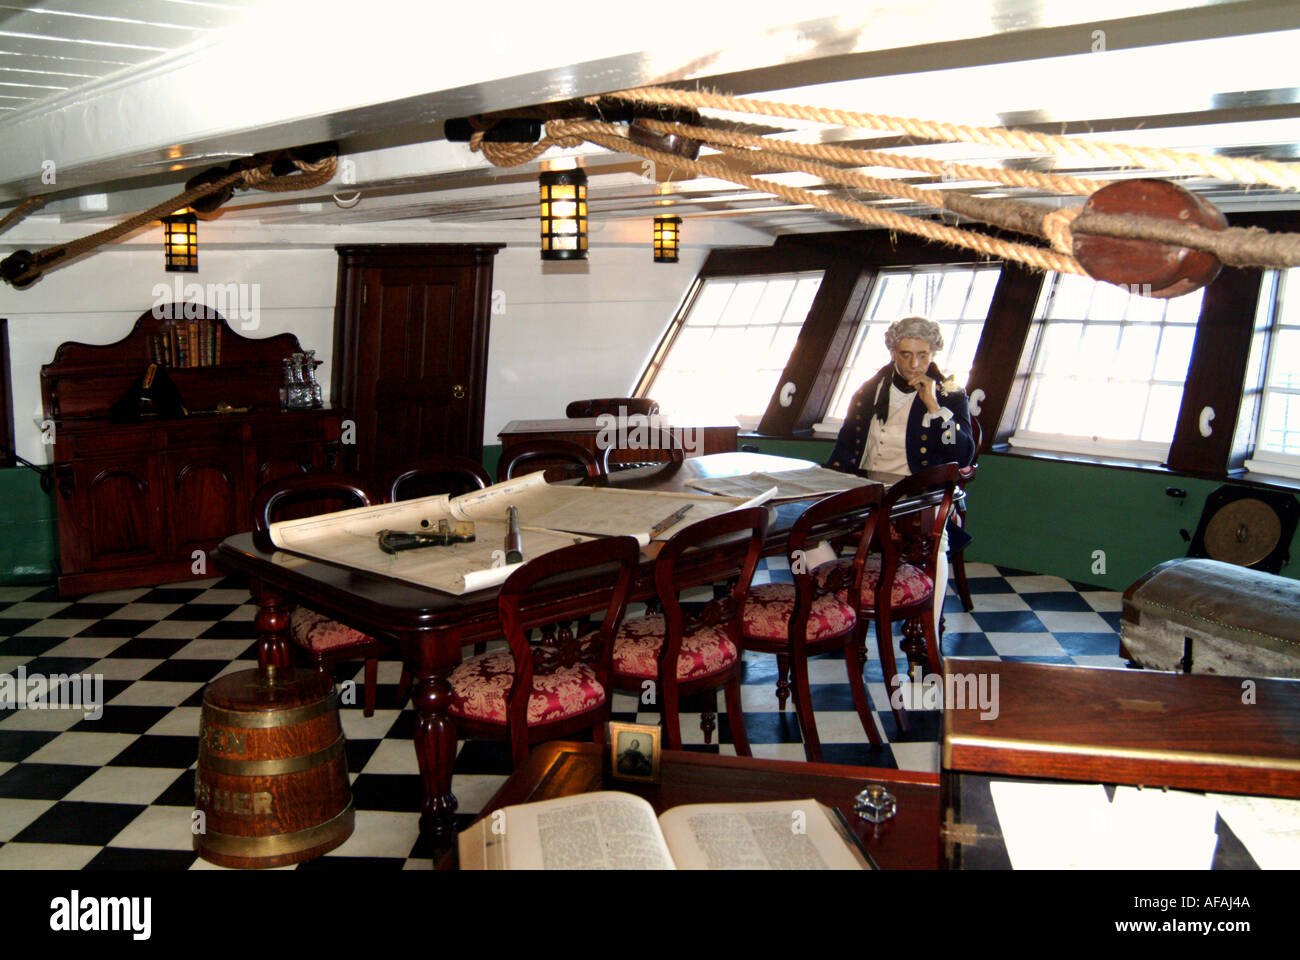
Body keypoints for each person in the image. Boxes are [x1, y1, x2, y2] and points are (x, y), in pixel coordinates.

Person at [826, 316, 976, 628]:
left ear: (933, 353)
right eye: (906, 355)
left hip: (917, 494)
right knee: (811, 533)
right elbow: (845, 444)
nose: (914, 364)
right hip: (865, 490)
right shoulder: (870, 389)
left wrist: (934, 409)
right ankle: (842, 608)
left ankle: (930, 629)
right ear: (893, 352)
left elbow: (962, 453)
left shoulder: (950, 393)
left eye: (923, 355)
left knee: (939, 541)